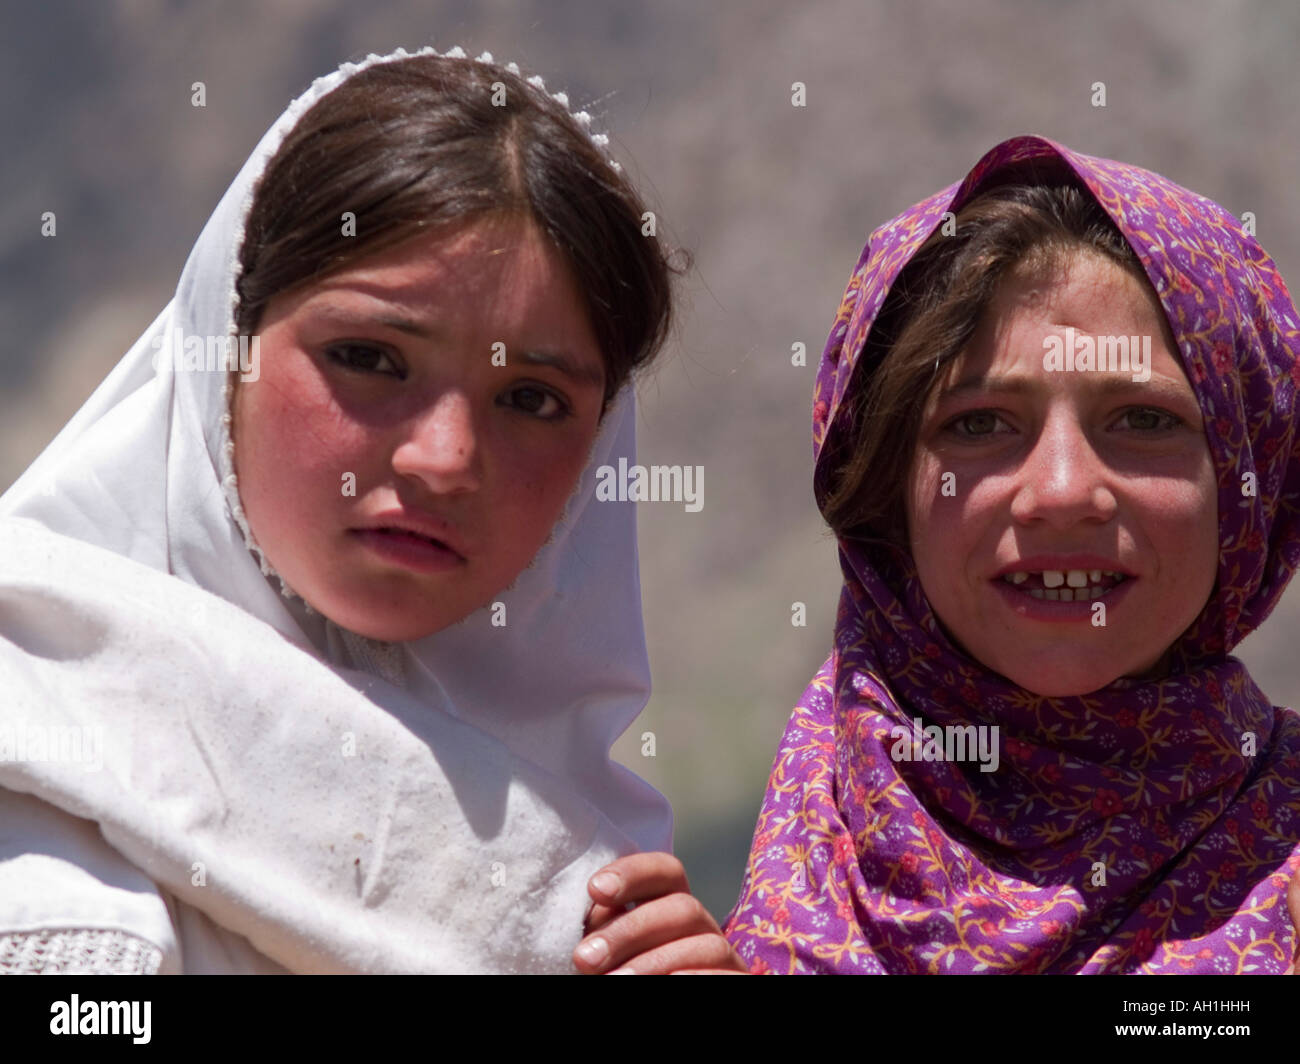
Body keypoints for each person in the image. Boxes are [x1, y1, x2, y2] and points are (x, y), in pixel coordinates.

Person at [0, 45, 723, 974]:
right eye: (370, 359)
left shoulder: (605, 894)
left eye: (533, 400)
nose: (446, 460)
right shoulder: (36, 745)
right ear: (228, 349)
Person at [723, 135, 1300, 974]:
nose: (1062, 491)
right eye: (980, 424)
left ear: (1248, 476)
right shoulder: (649, 911)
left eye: (1143, 420)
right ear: (887, 491)